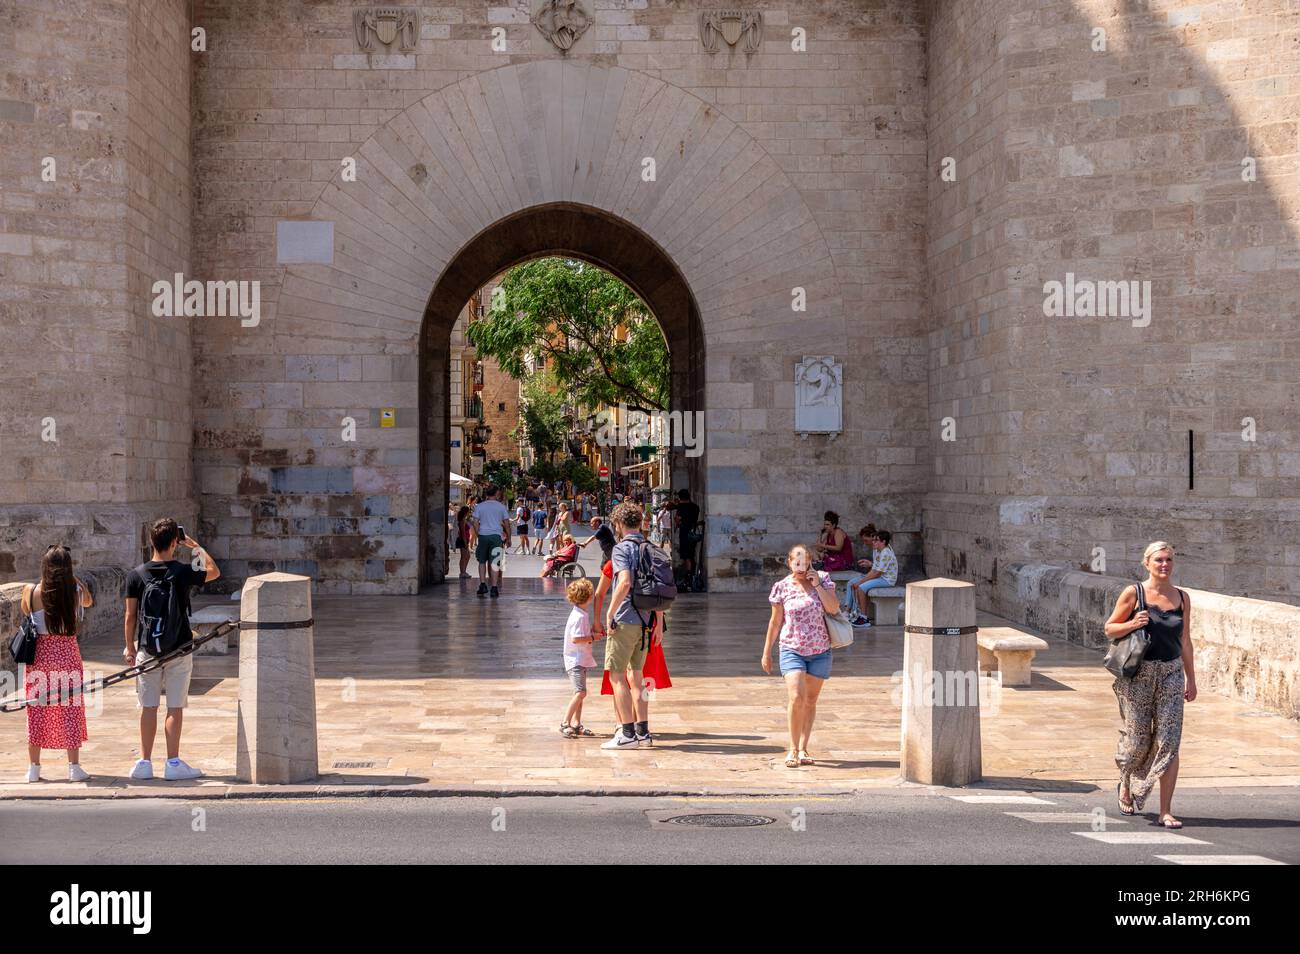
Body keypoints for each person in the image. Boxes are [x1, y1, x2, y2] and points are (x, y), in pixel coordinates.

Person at [1105, 541, 1197, 829]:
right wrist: (1133, 623)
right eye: (1158, 560)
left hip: (1171, 673)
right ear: (1147, 563)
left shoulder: (1182, 597)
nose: (1164, 565)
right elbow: (1110, 628)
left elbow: (1185, 641)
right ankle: (1125, 781)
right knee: (1137, 741)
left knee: (1169, 742)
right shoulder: (1135, 593)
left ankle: (1165, 811)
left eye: (1168, 559)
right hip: (1138, 675)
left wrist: (1191, 678)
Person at [124, 518, 221, 781]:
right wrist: (196, 545)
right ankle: (173, 763)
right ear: (174, 542)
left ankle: (144, 763)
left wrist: (129, 648)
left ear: (151, 542)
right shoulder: (181, 571)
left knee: (148, 707)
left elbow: (130, 616)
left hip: (147, 649)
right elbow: (213, 571)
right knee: (174, 707)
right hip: (178, 648)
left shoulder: (136, 575)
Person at [21, 545, 94, 782]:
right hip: (66, 653)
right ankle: (73, 767)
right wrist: (75, 579)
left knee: (37, 709)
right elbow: (88, 603)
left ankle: (34, 768)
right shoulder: (74, 591)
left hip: (40, 657)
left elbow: (26, 611)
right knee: (70, 709)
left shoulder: (30, 591)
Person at [762, 543, 838, 768]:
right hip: (791, 648)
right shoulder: (782, 587)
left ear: (811, 562)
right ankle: (793, 749)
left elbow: (833, 608)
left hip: (820, 650)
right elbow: (775, 622)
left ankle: (804, 748)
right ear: (789, 562)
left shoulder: (823, 579)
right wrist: (767, 652)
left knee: (811, 700)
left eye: (805, 563)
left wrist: (818, 585)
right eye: (797, 563)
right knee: (796, 697)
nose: (801, 568)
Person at [600, 503, 659, 750]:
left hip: (625, 618)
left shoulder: (621, 549)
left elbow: (624, 582)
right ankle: (643, 731)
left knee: (617, 677)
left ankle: (626, 733)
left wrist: (610, 612)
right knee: (639, 677)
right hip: (647, 621)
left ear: (619, 524)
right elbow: (658, 588)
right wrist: (658, 622)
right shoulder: (652, 548)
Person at [560, 578, 603, 738]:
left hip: (580, 659)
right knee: (581, 692)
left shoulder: (580, 614)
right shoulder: (580, 617)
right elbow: (576, 639)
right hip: (575, 660)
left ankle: (577, 723)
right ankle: (565, 722)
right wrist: (593, 636)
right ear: (589, 597)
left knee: (580, 693)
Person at [847, 529, 897, 627]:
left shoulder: (886, 553)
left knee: (861, 588)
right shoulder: (880, 551)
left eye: (876, 540)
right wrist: (861, 581)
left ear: (883, 542)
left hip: (887, 580)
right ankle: (856, 613)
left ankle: (864, 618)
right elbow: (874, 570)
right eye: (873, 540)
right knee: (857, 585)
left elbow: (877, 573)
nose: (873, 542)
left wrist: (860, 582)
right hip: (882, 578)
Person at [471, 485, 511, 598]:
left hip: (483, 535)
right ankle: (494, 588)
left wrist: (478, 533)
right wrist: (508, 538)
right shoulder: (501, 507)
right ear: (496, 493)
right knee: (495, 563)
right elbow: (507, 524)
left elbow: (475, 522)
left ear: (486, 494)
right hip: (496, 536)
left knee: (482, 561)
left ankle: (483, 584)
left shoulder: (479, 506)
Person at [673, 489, 701, 589]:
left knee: (686, 557)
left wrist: (677, 522)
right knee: (691, 555)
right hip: (693, 533)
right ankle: (692, 577)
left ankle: (688, 579)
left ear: (680, 497)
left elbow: (678, 519)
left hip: (684, 533)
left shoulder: (681, 507)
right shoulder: (695, 507)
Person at [455, 504, 474, 578]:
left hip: (465, 539)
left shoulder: (464, 519)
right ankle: (462, 572)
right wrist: (465, 543)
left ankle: (463, 571)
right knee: (464, 556)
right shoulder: (462, 520)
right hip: (463, 540)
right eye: (469, 511)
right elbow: (462, 532)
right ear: (466, 512)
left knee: (467, 556)